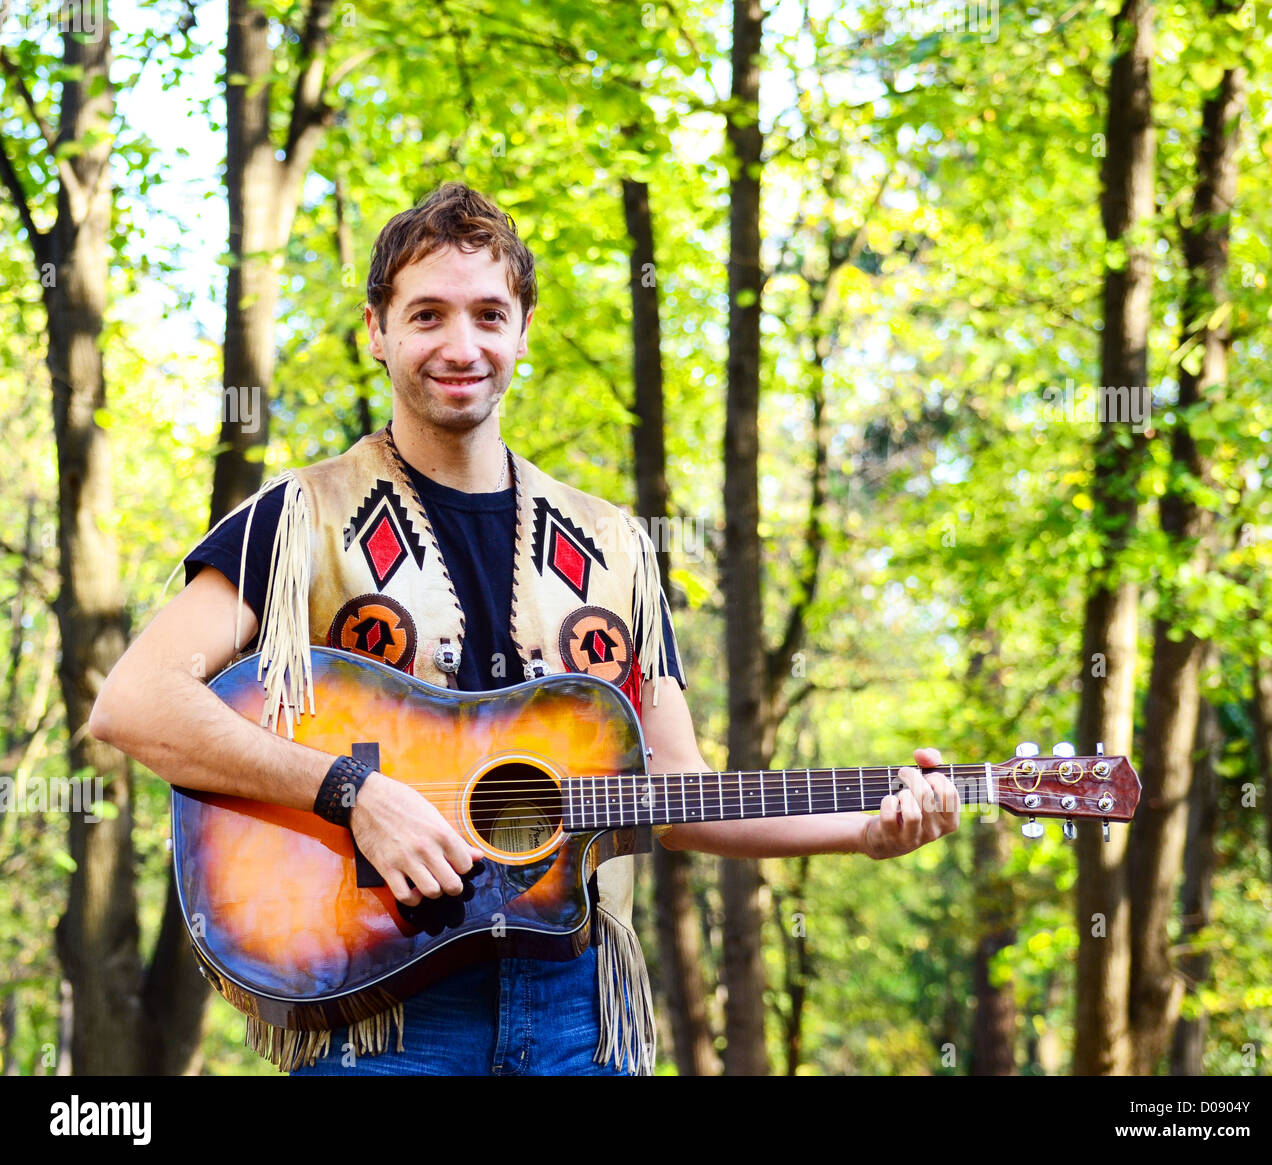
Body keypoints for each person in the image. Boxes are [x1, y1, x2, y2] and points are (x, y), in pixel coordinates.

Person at [89, 182, 961, 1076]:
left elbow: (679, 794)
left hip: (579, 1011)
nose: (461, 345)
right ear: (376, 331)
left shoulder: (615, 544)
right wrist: (354, 791)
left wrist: (864, 827)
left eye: (488, 314)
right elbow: (136, 702)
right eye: (426, 314)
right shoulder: (299, 518)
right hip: (382, 1009)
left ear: (523, 332)